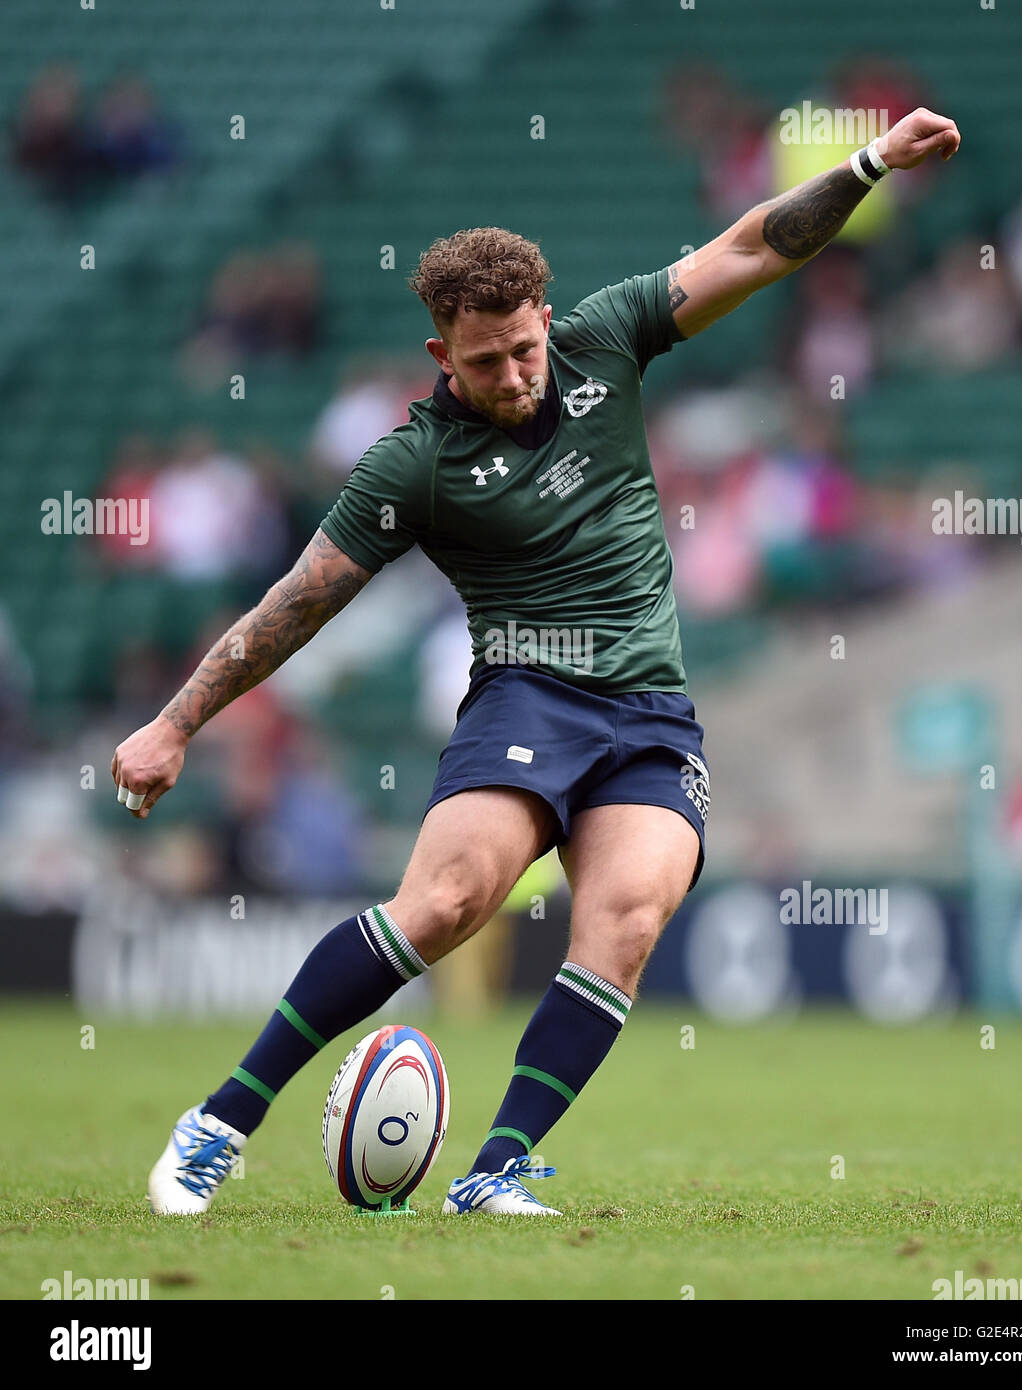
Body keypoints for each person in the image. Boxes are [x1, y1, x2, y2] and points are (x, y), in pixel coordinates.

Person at [113, 108, 961, 1216]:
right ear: (439, 355)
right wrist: (176, 722)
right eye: (485, 360)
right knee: (450, 900)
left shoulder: (608, 338)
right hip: (527, 695)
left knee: (630, 917)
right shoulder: (411, 465)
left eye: (524, 347)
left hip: (652, 714)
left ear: (547, 319)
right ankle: (219, 1119)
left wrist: (865, 165)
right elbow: (296, 603)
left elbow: (753, 247)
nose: (515, 374)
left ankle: (495, 1170)